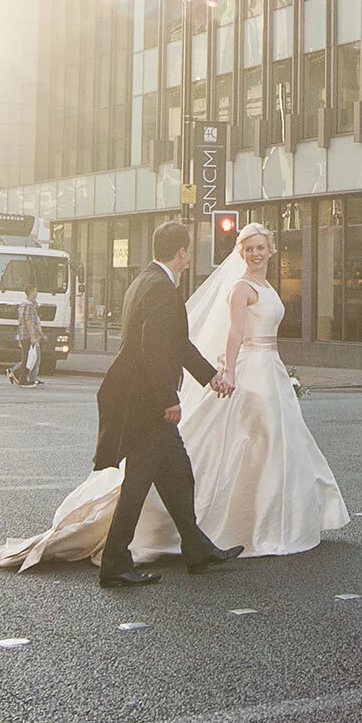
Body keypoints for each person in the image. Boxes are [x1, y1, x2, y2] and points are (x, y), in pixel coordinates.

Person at [131, 223, 348, 560]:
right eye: (249, 249)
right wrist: (228, 371)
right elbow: (234, 333)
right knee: (264, 440)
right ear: (240, 253)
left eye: (260, 247)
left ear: (271, 250)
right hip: (253, 371)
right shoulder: (241, 288)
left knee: (283, 441)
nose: (255, 254)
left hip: (271, 367)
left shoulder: (265, 285)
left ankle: (279, 519)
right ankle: (258, 524)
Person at [87, 221, 240, 586]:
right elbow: (153, 349)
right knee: (137, 483)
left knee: (178, 476)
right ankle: (114, 563)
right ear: (182, 252)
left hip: (140, 399)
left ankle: (197, 549)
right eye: (189, 251)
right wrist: (168, 400)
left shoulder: (145, 282)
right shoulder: (160, 289)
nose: (189, 258)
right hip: (147, 403)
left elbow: (178, 344)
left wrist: (210, 377)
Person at [7, 291, 44, 386]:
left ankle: (21, 376)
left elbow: (21, 320)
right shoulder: (30, 305)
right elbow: (29, 321)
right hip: (28, 335)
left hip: (23, 334)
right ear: (31, 292)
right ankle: (22, 379)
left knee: (28, 358)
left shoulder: (23, 304)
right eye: (35, 291)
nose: (37, 293)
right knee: (28, 358)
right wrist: (33, 336)